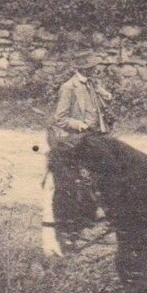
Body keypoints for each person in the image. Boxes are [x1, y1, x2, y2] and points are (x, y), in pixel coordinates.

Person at [46, 62, 115, 247]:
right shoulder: (69, 87)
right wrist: (81, 125)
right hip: (79, 141)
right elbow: (60, 119)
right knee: (79, 183)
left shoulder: (93, 84)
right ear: (78, 68)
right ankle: (74, 229)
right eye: (89, 68)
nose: (93, 70)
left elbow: (108, 100)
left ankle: (92, 223)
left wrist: (101, 91)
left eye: (93, 67)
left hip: (97, 137)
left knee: (102, 179)